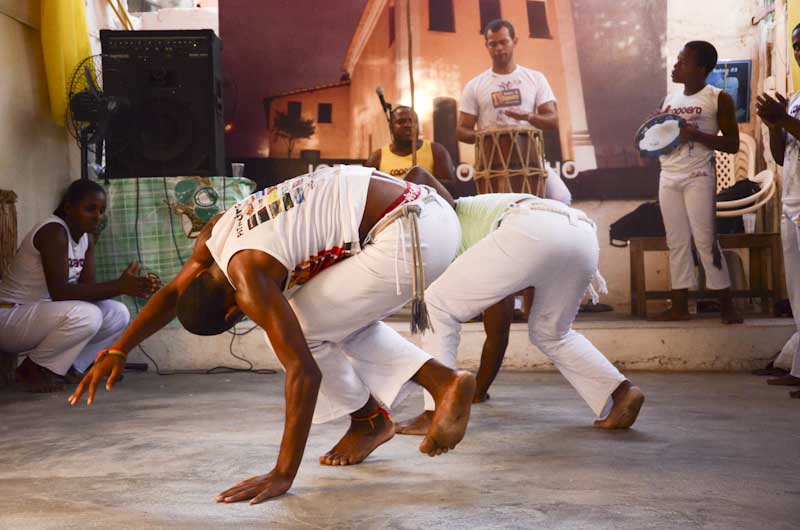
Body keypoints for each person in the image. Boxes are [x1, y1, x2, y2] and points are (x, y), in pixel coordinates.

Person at [68, 165, 477, 504]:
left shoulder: (249, 275)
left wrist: (282, 474)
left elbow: (304, 372)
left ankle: (401, 403)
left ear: (234, 309)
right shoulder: (216, 233)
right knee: (326, 318)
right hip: (427, 212)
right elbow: (175, 292)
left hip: (410, 235)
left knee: (302, 326)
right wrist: (119, 347)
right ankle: (398, 404)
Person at [393, 186, 645, 435]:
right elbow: (499, 320)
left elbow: (418, 173)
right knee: (552, 333)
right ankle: (620, 392)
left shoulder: (447, 222)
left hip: (530, 227)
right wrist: (479, 389)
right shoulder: (472, 226)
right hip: (580, 231)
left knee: (436, 304)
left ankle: (436, 414)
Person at [0, 179, 156, 393]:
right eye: (90, 208)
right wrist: (119, 286)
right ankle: (32, 369)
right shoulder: (54, 231)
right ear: (68, 207)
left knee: (118, 313)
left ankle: (72, 366)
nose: (97, 216)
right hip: (10, 317)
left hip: (40, 317)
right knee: (87, 315)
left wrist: (131, 286)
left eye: (101, 210)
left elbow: (87, 290)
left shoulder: (86, 238)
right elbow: (61, 292)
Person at [652, 41, 742, 324]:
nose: (676, 66)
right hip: (668, 175)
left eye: (683, 62)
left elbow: (732, 144)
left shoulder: (718, 98)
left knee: (704, 239)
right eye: (677, 61)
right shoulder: (670, 99)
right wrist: (654, 130)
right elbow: (662, 141)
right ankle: (679, 305)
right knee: (676, 241)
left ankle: (727, 306)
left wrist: (696, 136)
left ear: (701, 68)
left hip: (698, 176)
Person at [456, 19, 572, 205]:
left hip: (530, 159)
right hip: (492, 163)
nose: (499, 48)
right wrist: (487, 136)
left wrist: (528, 116)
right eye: (493, 44)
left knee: (561, 197)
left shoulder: (535, 78)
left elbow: (552, 120)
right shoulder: (475, 85)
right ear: (486, 46)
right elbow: (462, 130)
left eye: (504, 42)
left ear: (515, 41)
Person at [755, 22, 800, 396]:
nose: (799, 52)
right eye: (796, 46)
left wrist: (783, 119)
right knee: (797, 291)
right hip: (792, 200)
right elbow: (782, 156)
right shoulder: (798, 97)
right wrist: (773, 125)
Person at [365, 105, 455, 181]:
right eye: (401, 122)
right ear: (391, 127)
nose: (408, 125)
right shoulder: (377, 158)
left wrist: (424, 182)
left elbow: (450, 189)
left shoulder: (436, 151)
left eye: (412, 121)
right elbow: (365, 191)